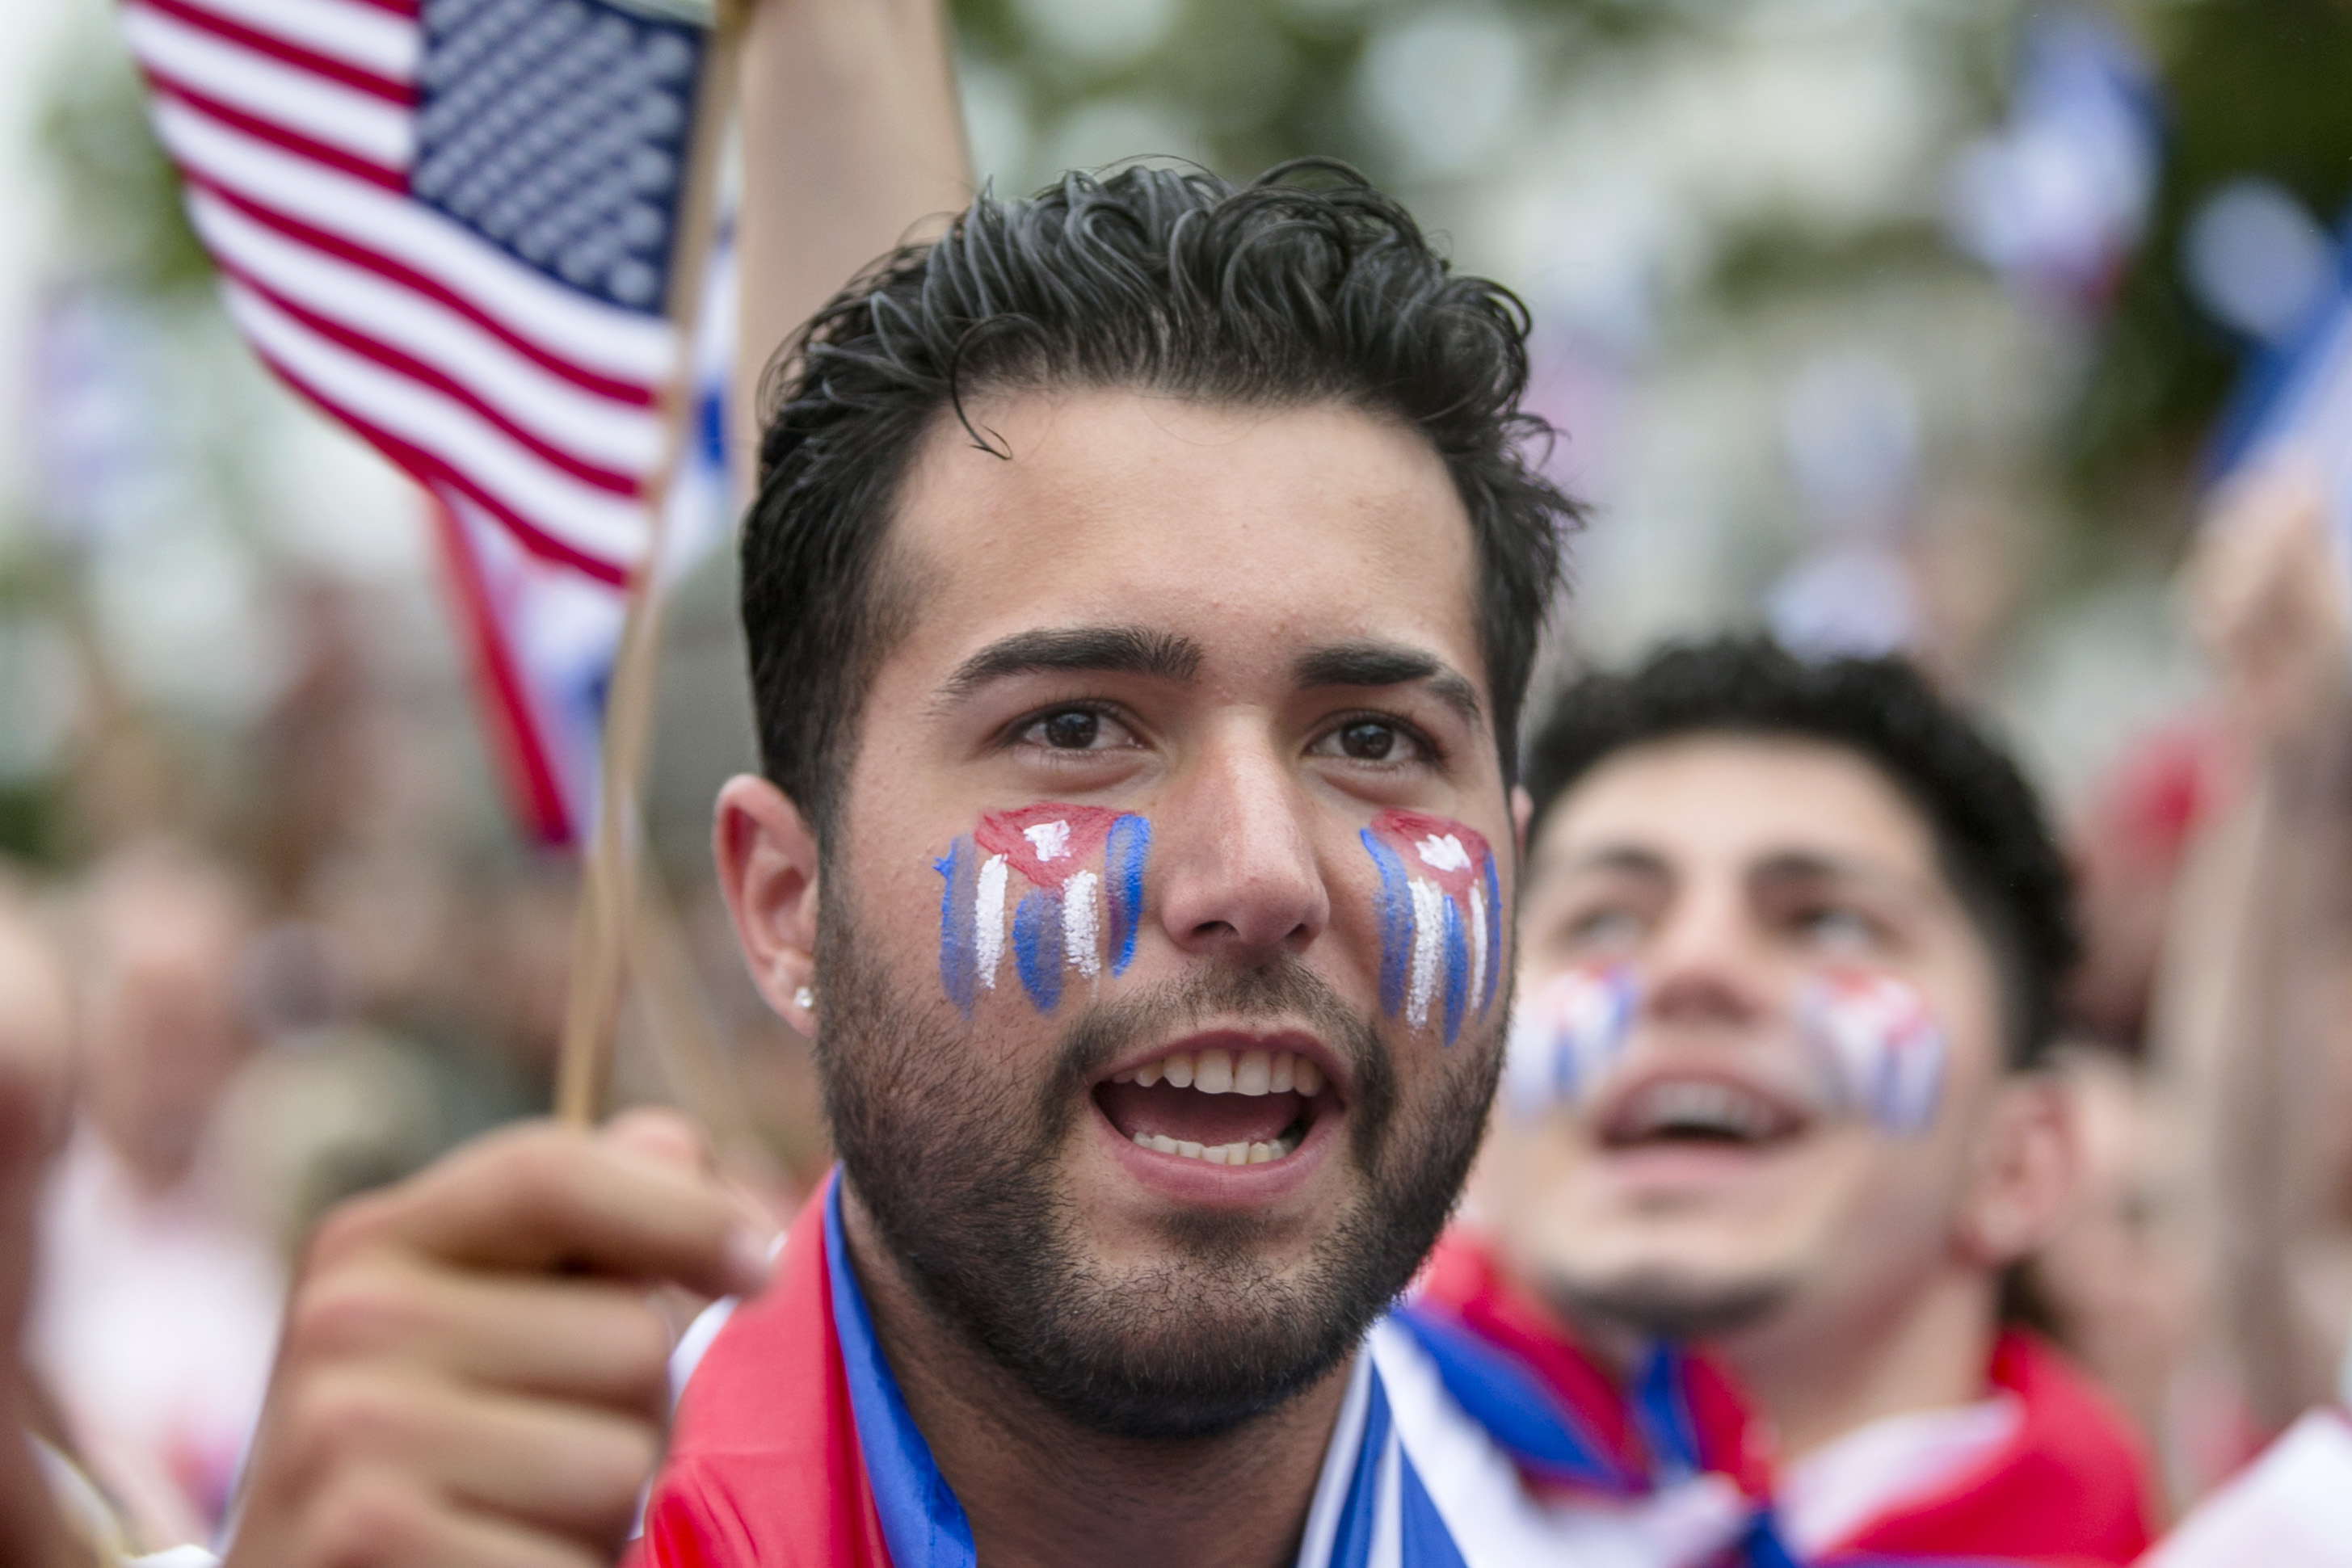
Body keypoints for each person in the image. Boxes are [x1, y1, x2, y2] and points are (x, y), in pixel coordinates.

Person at [1445, 637, 2161, 1564]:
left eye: (1824, 921)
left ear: (2019, 1163)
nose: (1691, 968)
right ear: (1475, 1106)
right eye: (1606, 917)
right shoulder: (1275, 1481)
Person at [28, 843, 284, 1546]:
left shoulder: (280, 1207)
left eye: (194, 1021)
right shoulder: (34, 1220)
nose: (173, 1058)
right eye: (150, 1020)